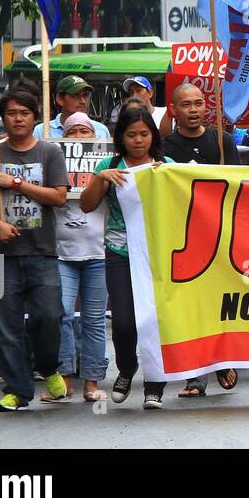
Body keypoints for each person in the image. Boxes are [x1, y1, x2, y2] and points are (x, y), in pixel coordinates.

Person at [0, 91, 70, 412]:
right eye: (11, 113)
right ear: (3, 118)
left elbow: (59, 197)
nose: (18, 118)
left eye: (24, 112)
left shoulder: (49, 153)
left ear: (35, 116)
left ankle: (49, 367)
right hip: (3, 255)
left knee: (49, 317)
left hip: (42, 252)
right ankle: (17, 391)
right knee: (6, 326)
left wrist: (16, 184)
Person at [81, 106, 173, 408]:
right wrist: (101, 179)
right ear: (121, 137)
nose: (138, 140)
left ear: (153, 136)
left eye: (144, 134)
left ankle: (154, 385)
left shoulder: (166, 165)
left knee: (152, 320)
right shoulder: (110, 165)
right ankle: (126, 368)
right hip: (119, 253)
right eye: (131, 135)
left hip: (157, 255)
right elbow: (86, 205)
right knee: (123, 322)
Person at [162, 82, 242, 398]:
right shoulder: (164, 147)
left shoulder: (221, 141)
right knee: (190, 307)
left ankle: (223, 360)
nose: (193, 110)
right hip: (182, 239)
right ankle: (195, 375)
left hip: (220, 236)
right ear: (174, 110)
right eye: (186, 105)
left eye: (198, 103)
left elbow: (240, 185)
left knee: (218, 304)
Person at [50, 112, 109, 403]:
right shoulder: (52, 163)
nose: (77, 137)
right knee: (60, 314)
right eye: (71, 132)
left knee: (94, 321)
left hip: (98, 253)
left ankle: (91, 383)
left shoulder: (106, 166)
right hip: (62, 254)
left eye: (84, 132)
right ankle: (64, 379)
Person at [35, 75, 112, 139]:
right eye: (75, 95)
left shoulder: (101, 130)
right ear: (60, 99)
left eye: (85, 95)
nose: (83, 101)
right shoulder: (42, 130)